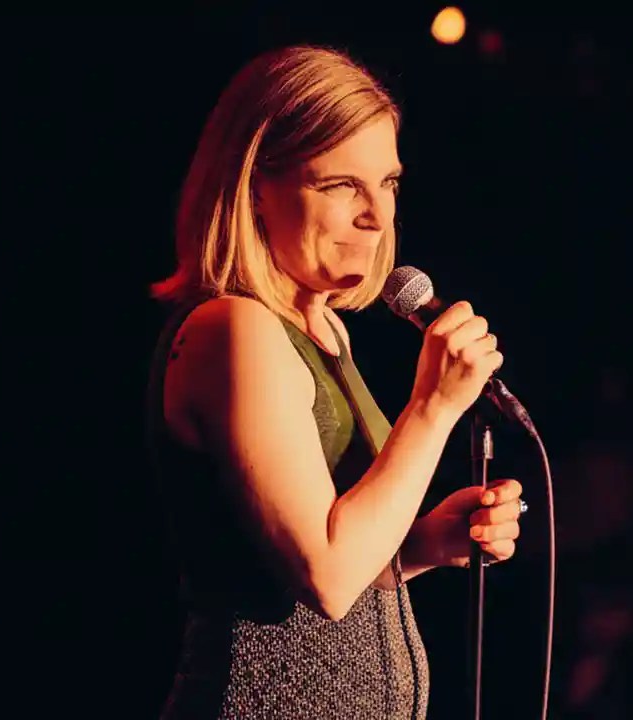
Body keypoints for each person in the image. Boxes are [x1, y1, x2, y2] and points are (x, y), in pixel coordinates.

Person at [145, 45, 526, 720]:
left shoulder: (324, 329)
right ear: (255, 188)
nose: (377, 215)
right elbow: (325, 576)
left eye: (388, 183)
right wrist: (433, 407)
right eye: (341, 185)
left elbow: (320, 556)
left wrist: (422, 545)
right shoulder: (233, 328)